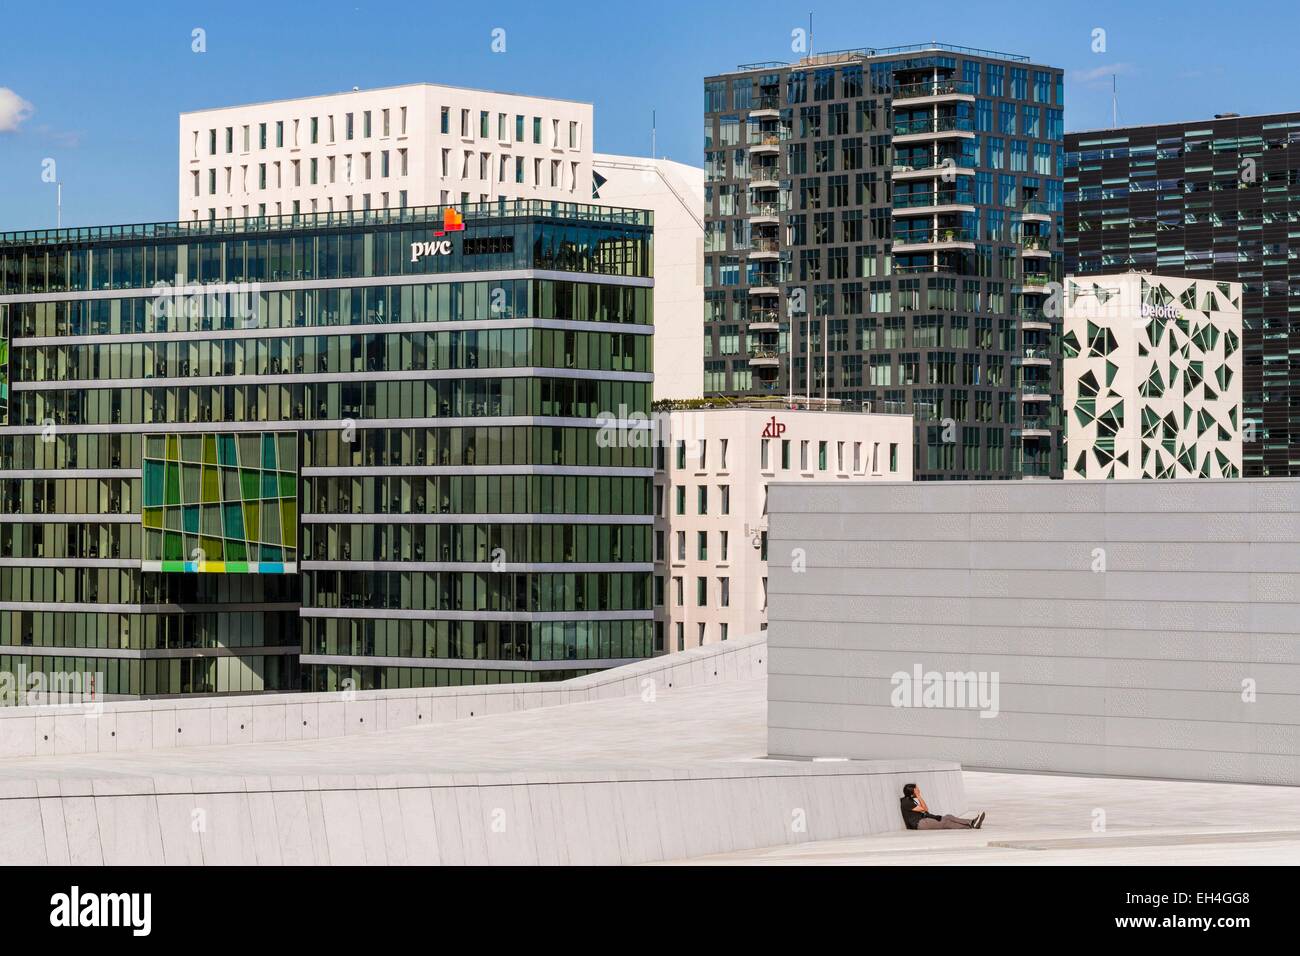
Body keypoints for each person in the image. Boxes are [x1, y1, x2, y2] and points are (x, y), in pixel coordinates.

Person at [900, 783, 985, 830]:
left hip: (923, 820)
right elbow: (925, 809)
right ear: (913, 792)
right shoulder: (906, 802)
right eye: (917, 790)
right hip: (919, 824)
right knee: (945, 823)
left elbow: (924, 811)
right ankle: (970, 826)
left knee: (948, 816)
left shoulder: (910, 800)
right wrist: (919, 796)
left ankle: (971, 822)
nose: (919, 790)